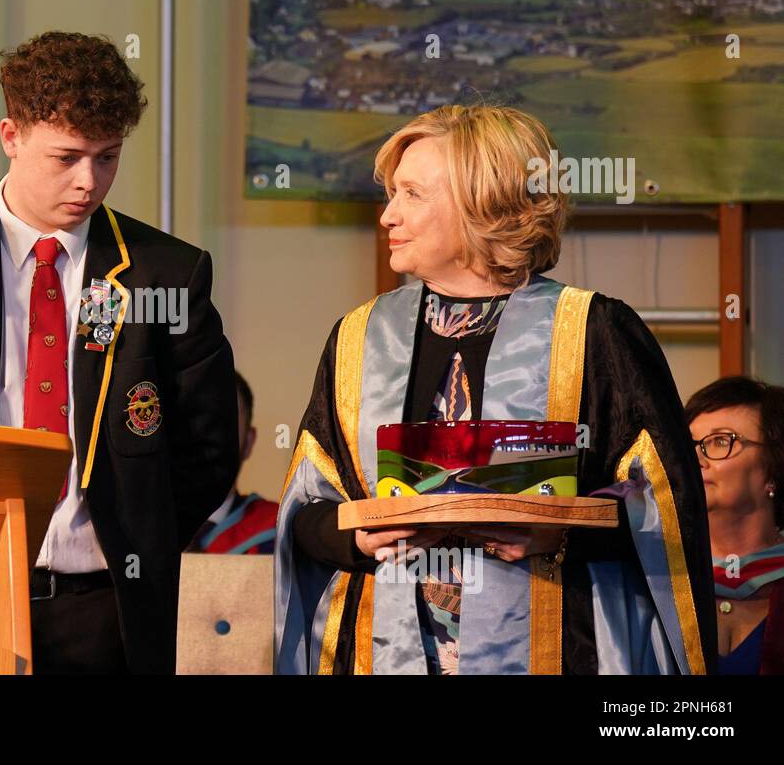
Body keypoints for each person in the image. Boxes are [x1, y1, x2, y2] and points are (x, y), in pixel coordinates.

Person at [275, 104, 716, 675]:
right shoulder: (359, 339)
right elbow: (306, 518)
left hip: (557, 645)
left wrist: (554, 533)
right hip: (388, 653)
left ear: (482, 202)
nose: (387, 215)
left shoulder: (592, 333)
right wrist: (358, 535)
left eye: (412, 194)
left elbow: (667, 510)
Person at [0, 31, 238, 675]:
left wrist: (133, 536)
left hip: (104, 606)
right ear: (10, 137)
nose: (88, 181)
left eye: (108, 158)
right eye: (66, 157)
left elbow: (208, 446)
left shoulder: (164, 271)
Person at [686, 376, 784, 674]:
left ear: (772, 467)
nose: (697, 460)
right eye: (689, 444)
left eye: (720, 441)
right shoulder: (661, 580)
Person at [186, 371, 278, 554]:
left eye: (224, 422)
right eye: (193, 419)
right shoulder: (135, 531)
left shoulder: (278, 533)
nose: (206, 436)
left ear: (248, 443)